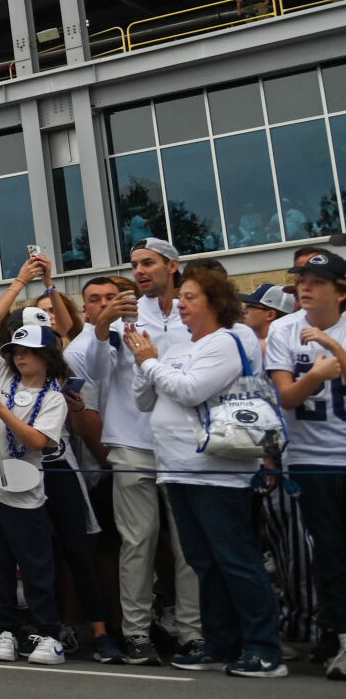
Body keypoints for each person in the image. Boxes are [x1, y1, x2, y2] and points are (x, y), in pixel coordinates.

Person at [126, 265, 285, 677]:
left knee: (236, 559)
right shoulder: (179, 350)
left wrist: (152, 366)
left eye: (190, 297)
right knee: (203, 562)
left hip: (219, 472)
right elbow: (144, 400)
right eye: (181, 299)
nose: (181, 304)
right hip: (177, 469)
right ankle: (220, 643)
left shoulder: (230, 339)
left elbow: (190, 389)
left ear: (215, 303)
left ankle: (265, 649)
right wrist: (144, 361)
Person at [65, 238, 201, 665]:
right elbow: (91, 374)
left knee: (186, 545)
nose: (140, 270)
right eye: (135, 264)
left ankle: (192, 632)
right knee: (136, 543)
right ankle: (137, 633)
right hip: (130, 443)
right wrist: (102, 328)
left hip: (184, 444)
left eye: (149, 263)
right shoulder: (124, 314)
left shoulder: (189, 312)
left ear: (172, 267)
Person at [0, 278, 70, 666]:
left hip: (25, 493)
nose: (20, 358)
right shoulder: (1, 376)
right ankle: (5, 631)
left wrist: (1, 411)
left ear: (47, 355)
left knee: (36, 566)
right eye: (16, 351)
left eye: (29, 352)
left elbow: (40, 441)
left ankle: (48, 634)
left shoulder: (54, 398)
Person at [267, 249, 346, 679]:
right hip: (312, 458)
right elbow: (286, 398)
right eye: (300, 280)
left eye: (315, 281)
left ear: (341, 291)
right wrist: (315, 375)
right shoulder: (284, 329)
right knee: (330, 554)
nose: (305, 287)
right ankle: (339, 638)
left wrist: (334, 348)